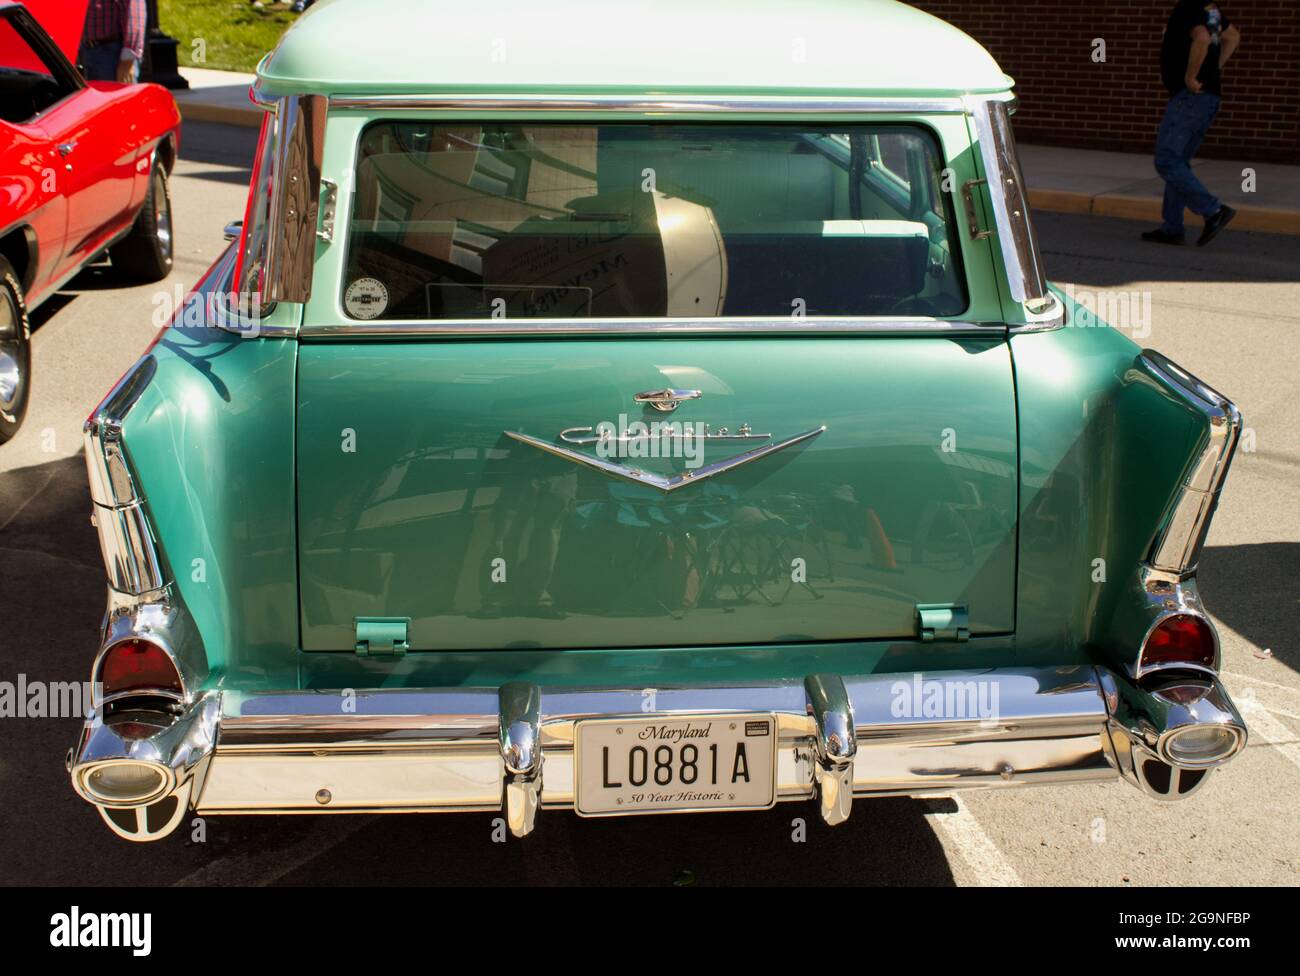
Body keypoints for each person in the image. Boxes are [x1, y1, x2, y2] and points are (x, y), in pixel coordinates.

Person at [1142, 1, 1241, 247]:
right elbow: (1233, 36)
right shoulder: (1210, 11)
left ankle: (1213, 211)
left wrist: (1191, 76)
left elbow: (1203, 38)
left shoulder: (1187, 8)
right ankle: (1172, 228)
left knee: (1166, 159)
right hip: (1206, 99)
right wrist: (1213, 70)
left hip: (1190, 99)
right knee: (1178, 162)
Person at [79, 0, 147, 85]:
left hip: (112, 53)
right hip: (88, 50)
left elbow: (135, 12)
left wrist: (128, 59)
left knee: (119, 96)